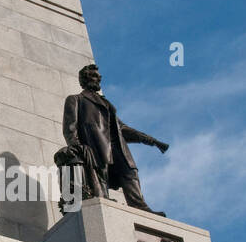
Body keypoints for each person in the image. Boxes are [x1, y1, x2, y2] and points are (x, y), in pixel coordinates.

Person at [60, 63, 169, 214]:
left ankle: (140, 207)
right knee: (101, 176)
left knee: (130, 172)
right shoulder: (76, 99)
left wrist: (151, 140)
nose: (97, 79)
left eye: (99, 77)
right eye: (93, 76)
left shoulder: (105, 103)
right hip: (96, 145)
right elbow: (69, 127)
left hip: (118, 148)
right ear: (84, 79)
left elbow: (122, 128)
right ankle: (104, 204)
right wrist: (78, 146)